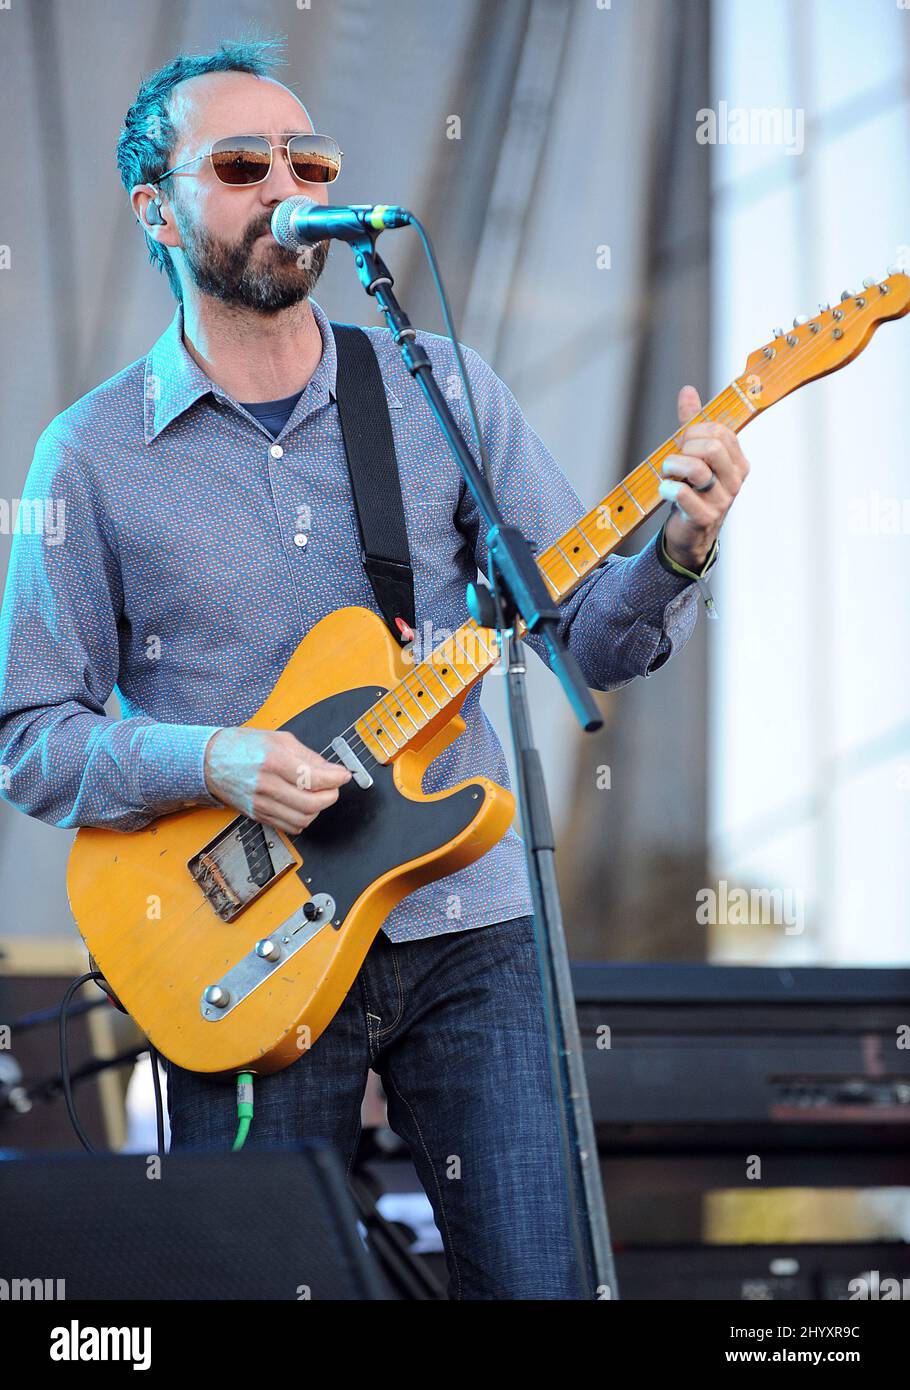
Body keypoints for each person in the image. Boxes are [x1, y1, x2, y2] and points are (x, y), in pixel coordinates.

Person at [0, 37, 749, 1299]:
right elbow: (28, 735)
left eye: (309, 159)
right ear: (156, 209)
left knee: (538, 1282)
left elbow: (589, 639)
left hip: (471, 924)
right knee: (264, 1291)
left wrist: (677, 548)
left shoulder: (431, 387)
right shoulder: (87, 457)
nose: (285, 181)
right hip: (241, 943)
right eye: (242, 163)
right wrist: (216, 759)